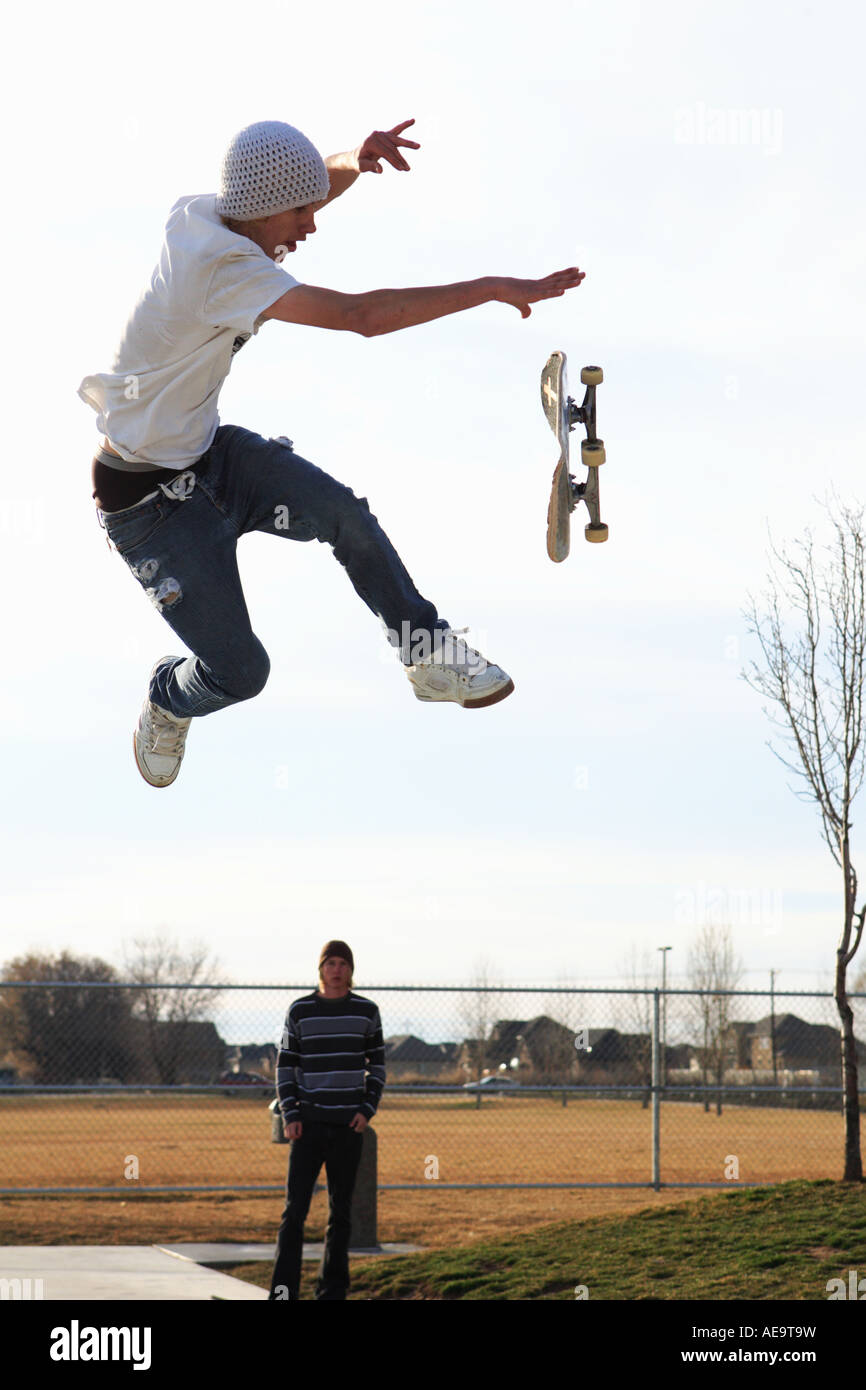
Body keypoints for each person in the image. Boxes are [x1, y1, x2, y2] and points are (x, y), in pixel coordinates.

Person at [78, 118, 585, 786]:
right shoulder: (225, 273)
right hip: (147, 508)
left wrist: (353, 159)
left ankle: (423, 650)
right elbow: (361, 318)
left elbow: (282, 186)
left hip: (211, 460)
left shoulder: (205, 212)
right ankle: (169, 698)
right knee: (241, 673)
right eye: (302, 212)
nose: (310, 227)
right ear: (260, 210)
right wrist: (491, 287)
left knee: (346, 514)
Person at [269, 941, 384, 1301]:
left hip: (348, 1128)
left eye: (343, 964)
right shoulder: (300, 1011)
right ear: (320, 969)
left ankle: (332, 1291)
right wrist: (291, 1114)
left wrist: (366, 1111)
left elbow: (377, 1067)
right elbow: (286, 1066)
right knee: (294, 1213)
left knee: (341, 1213)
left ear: (351, 969)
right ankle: (283, 1292)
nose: (336, 970)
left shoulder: (367, 1012)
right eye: (330, 963)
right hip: (308, 1127)